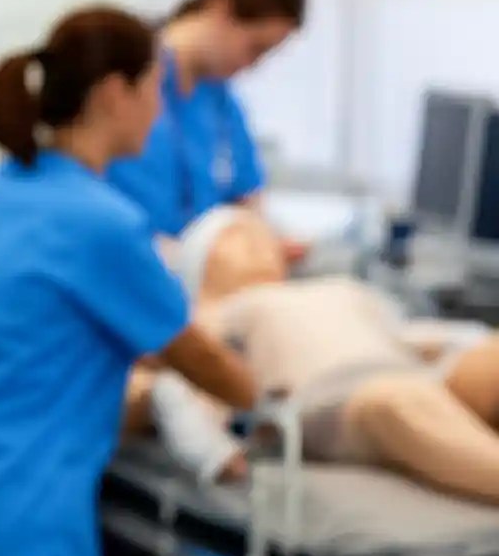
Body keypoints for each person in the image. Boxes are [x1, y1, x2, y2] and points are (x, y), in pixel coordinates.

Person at [0, 7, 256, 556]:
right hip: (16, 534)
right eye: (154, 88)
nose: (159, 110)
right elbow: (202, 361)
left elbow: (43, 338)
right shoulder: (100, 221)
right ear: (114, 93)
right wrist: (274, 399)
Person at [134, 206, 499, 505]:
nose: (259, 243)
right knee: (396, 400)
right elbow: (178, 387)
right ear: (200, 263)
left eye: (261, 236)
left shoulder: (334, 288)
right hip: (338, 404)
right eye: (237, 238)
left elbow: (411, 334)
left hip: (413, 372)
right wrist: (216, 456)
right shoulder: (218, 313)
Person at [107, 0, 306, 243]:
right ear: (220, 8)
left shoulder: (221, 104)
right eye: (255, 48)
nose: (253, 65)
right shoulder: (126, 82)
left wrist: (263, 242)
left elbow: (246, 196)